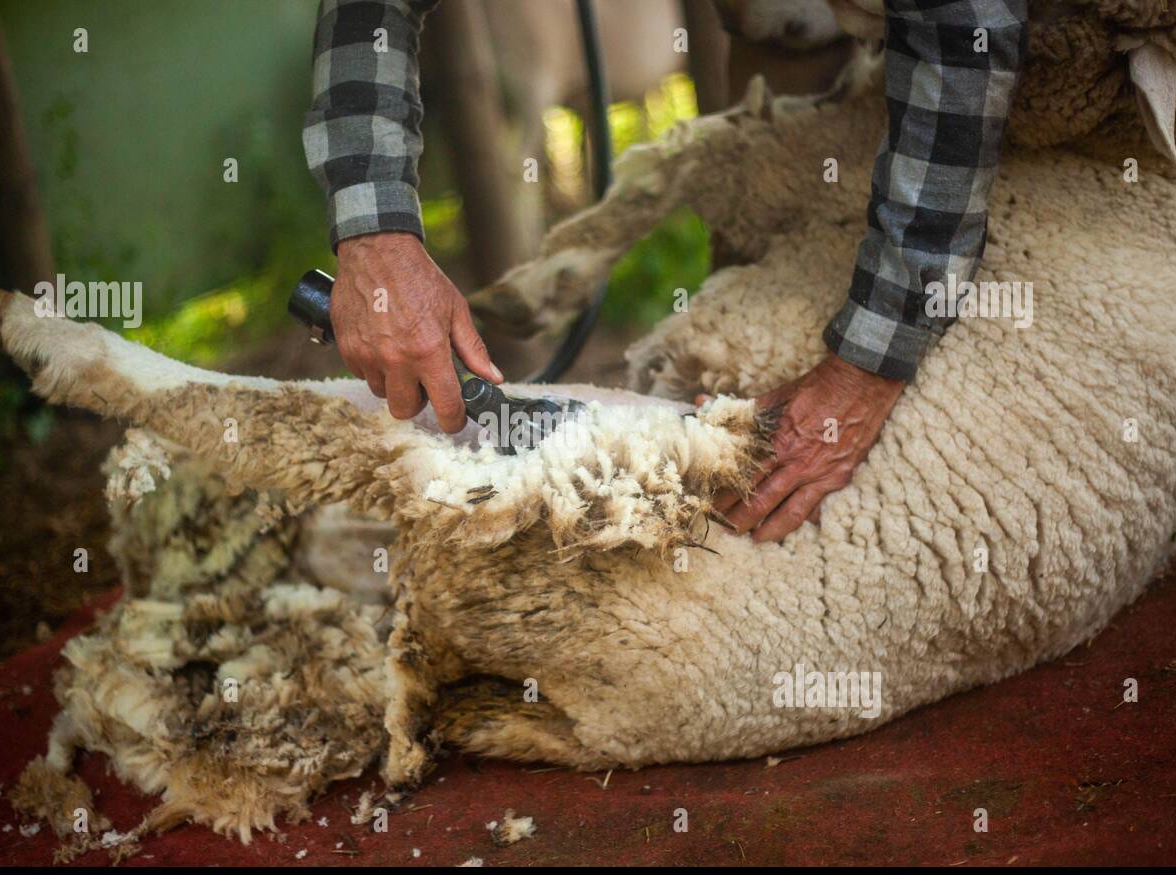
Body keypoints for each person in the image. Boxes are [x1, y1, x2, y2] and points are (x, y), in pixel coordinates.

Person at [302, 0, 1027, 541]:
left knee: (905, 441)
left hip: (1006, 53)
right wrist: (376, 236)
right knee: (747, 386)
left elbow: (967, 31)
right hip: (792, 31)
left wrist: (869, 364)